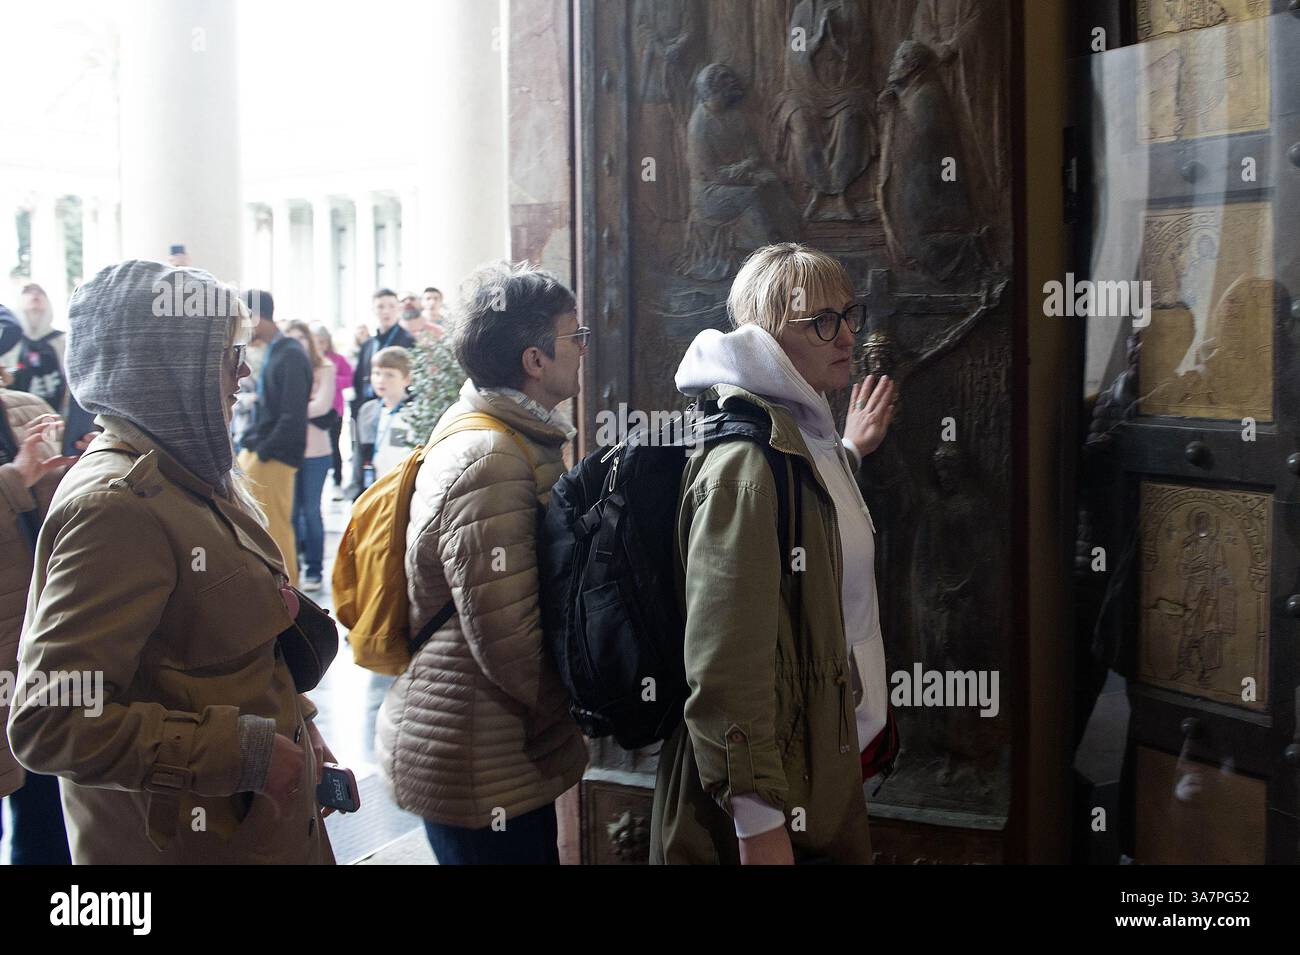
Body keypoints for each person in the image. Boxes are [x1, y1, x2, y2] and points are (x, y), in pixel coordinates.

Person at [6, 260, 336, 864]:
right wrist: (245, 753)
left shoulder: (188, 475)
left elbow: (231, 650)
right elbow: (49, 721)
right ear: (163, 366)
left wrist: (299, 727)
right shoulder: (119, 506)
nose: (243, 369)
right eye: (224, 352)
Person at [650, 242, 896, 865]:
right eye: (822, 321)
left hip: (816, 766)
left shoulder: (803, 439)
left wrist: (851, 453)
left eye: (848, 314)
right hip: (771, 802)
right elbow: (724, 659)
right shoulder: (744, 466)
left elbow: (813, 518)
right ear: (768, 335)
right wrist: (757, 822)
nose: (846, 336)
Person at [376, 261, 589, 865]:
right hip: (477, 751)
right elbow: (505, 638)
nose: (583, 349)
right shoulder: (492, 457)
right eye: (575, 336)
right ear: (535, 360)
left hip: (490, 738)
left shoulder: (509, 436)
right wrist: (568, 711)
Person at [0, 304, 81, 865]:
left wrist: (68, 477)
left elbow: (58, 522)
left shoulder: (24, 411)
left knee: (44, 813)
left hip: (32, 643)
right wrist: (16, 479)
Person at [236, 289, 313, 587]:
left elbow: (292, 416)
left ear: (255, 317)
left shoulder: (290, 353)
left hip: (277, 454)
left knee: (276, 529)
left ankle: (289, 597)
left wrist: (264, 449)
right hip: (265, 449)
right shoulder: (277, 350)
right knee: (265, 526)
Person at [284, 320, 337, 593]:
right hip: (288, 451)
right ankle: (292, 568)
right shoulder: (284, 367)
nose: (296, 342)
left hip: (317, 453)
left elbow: (322, 405)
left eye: (300, 337)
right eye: (290, 338)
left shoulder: (325, 367)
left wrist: (288, 409)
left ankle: (315, 569)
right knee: (290, 514)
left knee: (311, 511)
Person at [348, 290, 414, 498]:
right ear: (373, 310)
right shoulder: (369, 344)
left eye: (390, 306)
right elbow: (360, 380)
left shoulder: (408, 340)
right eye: (380, 306)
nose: (385, 311)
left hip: (399, 407)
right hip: (373, 409)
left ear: (398, 309)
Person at [355, 345, 415, 486]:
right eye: (376, 373)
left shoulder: (415, 412)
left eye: (389, 374)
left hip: (402, 485)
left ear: (407, 379)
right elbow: (358, 454)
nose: (380, 380)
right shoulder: (368, 410)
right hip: (374, 484)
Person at [312, 324, 352, 496]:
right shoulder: (309, 360)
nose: (320, 345)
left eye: (323, 341)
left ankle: (337, 481)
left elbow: (349, 379)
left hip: (335, 410)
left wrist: (330, 380)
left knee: (335, 446)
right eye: (317, 342)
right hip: (313, 411)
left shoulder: (338, 359)